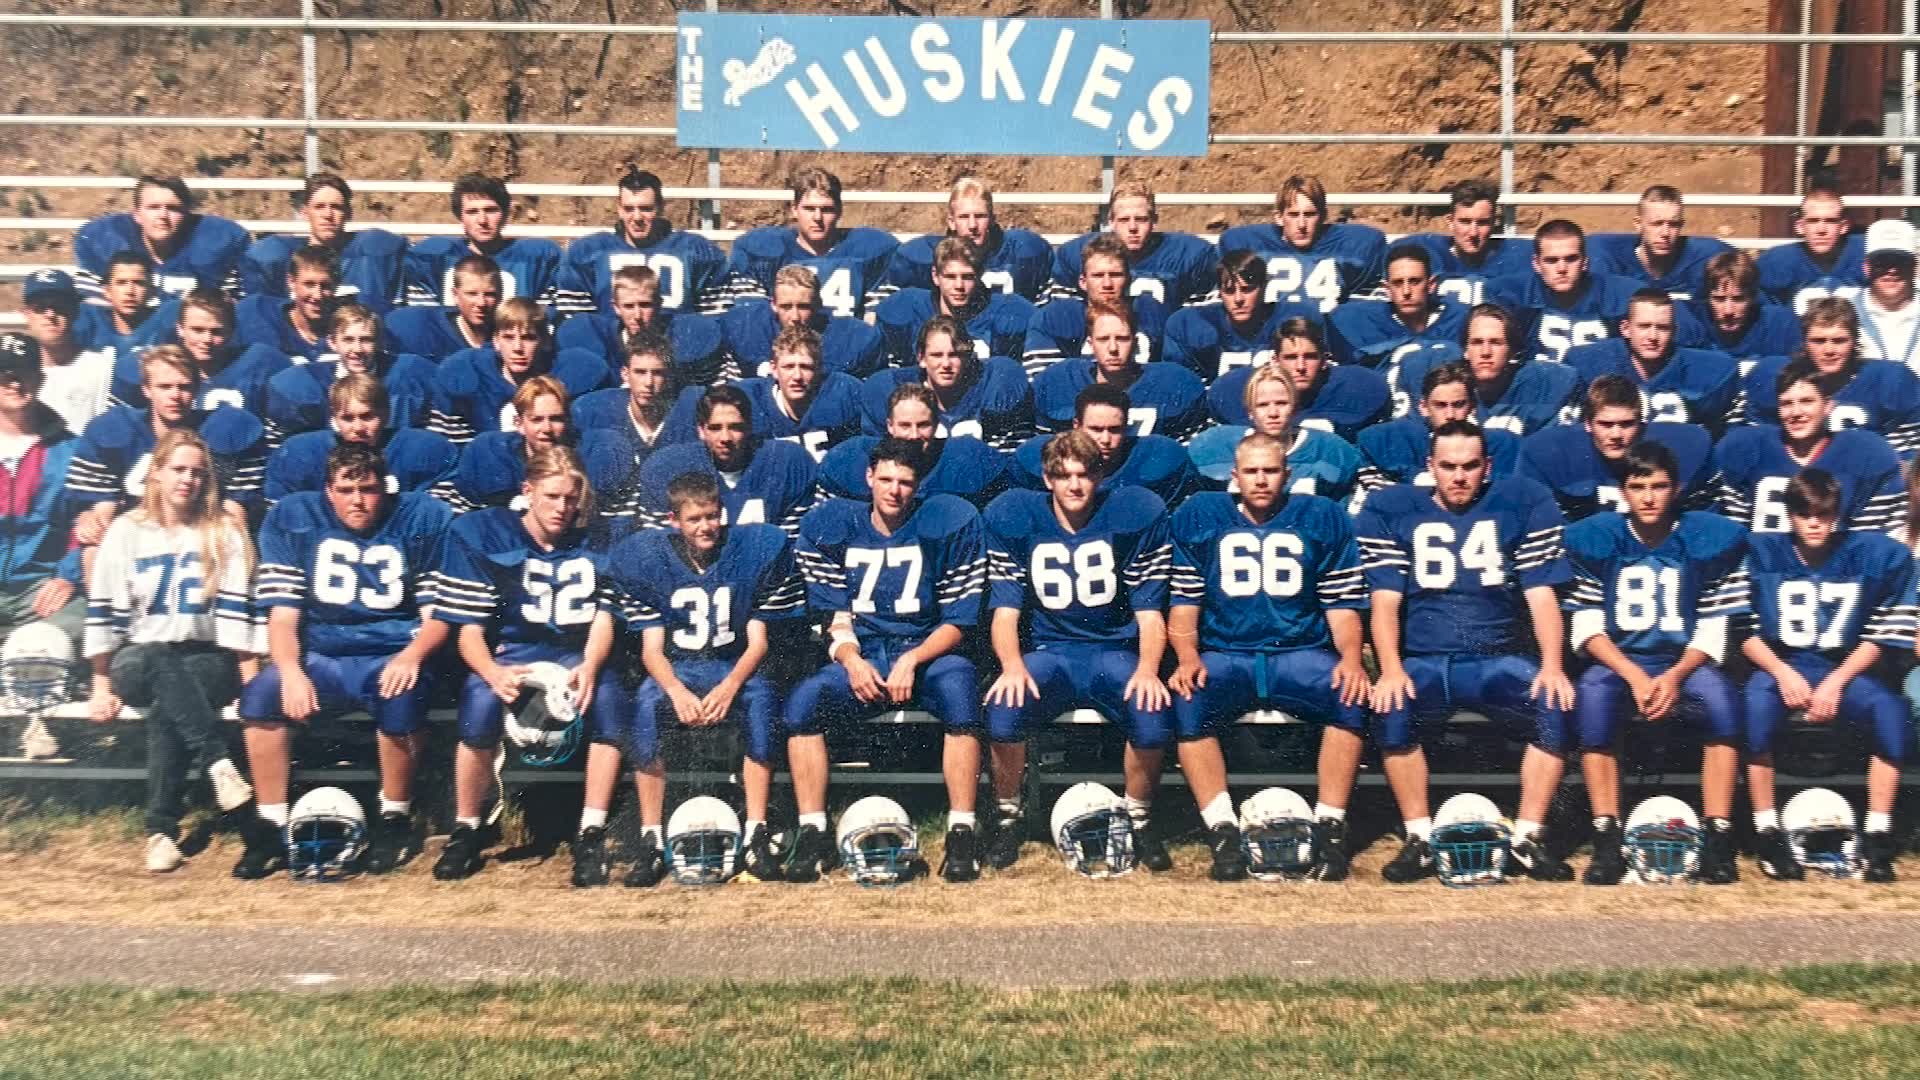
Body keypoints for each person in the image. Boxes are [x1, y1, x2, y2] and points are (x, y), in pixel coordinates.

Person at [1357, 419, 1576, 883]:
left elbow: (1541, 595)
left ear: (1488, 466)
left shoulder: (1520, 502)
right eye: (1449, 466)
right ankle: (1418, 836)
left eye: (1470, 466)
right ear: (1429, 467)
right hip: (1424, 660)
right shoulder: (1393, 510)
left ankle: (1529, 836)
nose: (1459, 477)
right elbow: (1384, 602)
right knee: (1392, 710)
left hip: (1495, 659)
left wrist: (1553, 665)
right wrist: (1391, 669)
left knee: (1553, 707)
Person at [232, 444, 454, 879]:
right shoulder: (296, 518)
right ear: (328, 491)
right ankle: (271, 823)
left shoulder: (419, 518)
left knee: (403, 695)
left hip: (389, 654)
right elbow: (282, 616)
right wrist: (292, 672)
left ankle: (394, 817)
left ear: (384, 489)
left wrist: (411, 655)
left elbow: (438, 616)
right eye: (346, 488)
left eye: (368, 489)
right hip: (323, 654)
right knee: (261, 695)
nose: (358, 499)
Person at [1167, 432, 1373, 880]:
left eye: (1271, 471)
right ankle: (1221, 828)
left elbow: (1341, 605)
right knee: (1188, 699)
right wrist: (1186, 656)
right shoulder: (1203, 517)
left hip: (1299, 652)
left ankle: (1330, 826)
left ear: (1288, 474)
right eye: (1252, 472)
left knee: (1350, 695)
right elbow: (1184, 603)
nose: (1261, 480)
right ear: (1235, 477)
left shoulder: (1321, 517)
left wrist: (1352, 659)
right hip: (1228, 653)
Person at [784, 438, 987, 881]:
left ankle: (961, 831)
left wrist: (913, 658)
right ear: (869, 478)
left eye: (906, 482)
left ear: (918, 486)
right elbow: (830, 616)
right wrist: (852, 660)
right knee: (804, 703)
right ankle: (813, 830)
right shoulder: (834, 526)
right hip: (866, 650)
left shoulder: (946, 524)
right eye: (887, 479)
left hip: (927, 648)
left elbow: (959, 622)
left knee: (961, 691)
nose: (895, 490)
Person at [982, 432, 1185, 875]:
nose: (1075, 485)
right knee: (1002, 710)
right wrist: (1012, 666)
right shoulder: (1016, 517)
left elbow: (1150, 615)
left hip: (1112, 651)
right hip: (1050, 651)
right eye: (1064, 475)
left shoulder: (1131, 514)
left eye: (1084, 474)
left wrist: (1149, 669)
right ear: (1047, 478)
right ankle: (1006, 816)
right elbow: (1005, 611)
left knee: (1151, 716)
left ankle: (1138, 816)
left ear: (1100, 475)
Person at [430, 447, 624, 882]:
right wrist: (492, 672)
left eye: (570, 499)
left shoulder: (598, 538)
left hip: (575, 656)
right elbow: (470, 632)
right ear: (528, 491)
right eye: (552, 496)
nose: (562, 507)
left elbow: (604, 617)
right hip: (513, 657)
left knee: (609, 700)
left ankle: (590, 830)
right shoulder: (489, 534)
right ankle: (467, 828)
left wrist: (591, 665)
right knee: (478, 704)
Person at [604, 472, 804, 886]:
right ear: (673, 520)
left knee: (762, 704)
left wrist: (730, 686)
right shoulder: (650, 560)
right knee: (645, 709)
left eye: (712, 516)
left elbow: (758, 643)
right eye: (694, 518)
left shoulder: (749, 550)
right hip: (677, 668)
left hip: (734, 665)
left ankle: (756, 832)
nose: (706, 526)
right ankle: (650, 837)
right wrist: (675, 691)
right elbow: (651, 652)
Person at [1563, 442, 1748, 885]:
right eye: (1638, 486)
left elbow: (1714, 627)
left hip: (1682, 659)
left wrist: (1673, 676)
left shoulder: (1703, 540)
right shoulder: (1600, 540)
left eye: (1659, 486)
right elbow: (1588, 629)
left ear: (1677, 489)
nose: (1648, 496)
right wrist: (1635, 675)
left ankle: (1718, 835)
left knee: (1722, 702)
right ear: (1622, 491)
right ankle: (1606, 834)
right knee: (1592, 699)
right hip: (1620, 660)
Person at [82, 429, 257, 872]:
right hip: (138, 657)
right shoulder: (126, 531)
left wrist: (249, 678)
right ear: (156, 473)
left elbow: (236, 616)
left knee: (169, 705)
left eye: (198, 472)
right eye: (178, 469)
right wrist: (101, 684)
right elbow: (104, 611)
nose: (188, 479)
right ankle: (218, 762)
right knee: (158, 660)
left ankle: (160, 832)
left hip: (207, 658)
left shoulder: (222, 532)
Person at [1744, 468, 1911, 883]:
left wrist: (1837, 681)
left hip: (1843, 666)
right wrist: (1782, 671)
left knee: (1890, 711)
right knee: (1754, 707)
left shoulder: (1870, 553)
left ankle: (1877, 834)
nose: (1814, 522)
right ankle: (1767, 829)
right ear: (1789, 515)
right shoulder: (1763, 553)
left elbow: (1883, 633)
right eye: (1804, 513)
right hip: (1782, 663)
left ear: (1838, 514)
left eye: (1823, 513)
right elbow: (1740, 632)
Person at [67, 347, 269, 538]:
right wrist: (92, 522)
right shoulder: (115, 428)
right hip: (132, 536)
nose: (175, 396)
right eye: (164, 386)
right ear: (146, 389)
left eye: (184, 387)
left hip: (201, 535)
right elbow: (103, 508)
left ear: (197, 389)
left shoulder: (222, 430)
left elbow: (234, 513)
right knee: (92, 546)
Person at [1711, 357, 1904, 534]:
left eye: (1807, 401)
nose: (1796, 412)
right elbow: (1735, 533)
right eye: (1786, 404)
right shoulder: (1748, 447)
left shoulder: (1865, 452)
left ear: (1828, 406)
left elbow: (1868, 543)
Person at [631, 384, 820, 539]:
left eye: (735, 427)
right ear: (701, 431)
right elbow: (660, 545)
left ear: (749, 428)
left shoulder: (786, 462)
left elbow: (793, 543)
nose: (725, 437)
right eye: (715, 428)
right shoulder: (668, 466)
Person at [1516, 373, 1713, 521]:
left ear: (1642, 425)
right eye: (1606, 424)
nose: (1616, 435)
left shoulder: (1683, 445)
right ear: (1587, 423)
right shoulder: (1550, 450)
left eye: (1627, 424)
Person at [1742, 298, 1920, 452]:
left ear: (1855, 340)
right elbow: (1760, 446)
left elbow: (1906, 457)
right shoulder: (1775, 375)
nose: (1829, 350)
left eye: (1839, 340)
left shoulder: (1890, 379)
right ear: (1804, 342)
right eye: (1818, 341)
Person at [1488, 219, 1675, 365]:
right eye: (1551, 260)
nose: (1562, 268)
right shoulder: (1512, 294)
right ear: (1536, 264)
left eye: (1571, 259)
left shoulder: (1622, 293)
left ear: (1585, 261)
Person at [0, 335, 87, 644]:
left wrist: (68, 576)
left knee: (85, 624)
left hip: (40, 587)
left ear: (39, 379)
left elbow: (86, 524)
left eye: (23, 374)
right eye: (5, 375)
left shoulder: (71, 449)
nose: (14, 384)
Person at [723, 167, 898, 319]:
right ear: (794, 210)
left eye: (826, 209)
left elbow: (874, 320)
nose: (817, 218)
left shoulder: (869, 249)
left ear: (839, 210)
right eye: (809, 208)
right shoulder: (765, 250)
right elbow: (754, 320)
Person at [554, 168, 732, 318]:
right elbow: (579, 325)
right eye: (629, 208)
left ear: (661, 207)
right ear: (619, 209)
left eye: (646, 209)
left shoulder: (694, 251)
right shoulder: (590, 252)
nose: (637, 217)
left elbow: (714, 319)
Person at [427, 298, 606, 446]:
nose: (518, 348)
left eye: (528, 338)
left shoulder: (565, 375)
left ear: (545, 341)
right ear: (496, 341)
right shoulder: (473, 373)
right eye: (509, 337)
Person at [573, 332, 701, 537]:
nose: (648, 382)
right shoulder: (598, 413)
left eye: (657, 373)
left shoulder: (685, 415)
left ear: (669, 377)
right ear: (625, 374)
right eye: (640, 372)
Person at [264, 373, 459, 507]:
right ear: (334, 419)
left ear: (385, 415)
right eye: (347, 418)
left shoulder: (422, 448)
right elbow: (281, 508)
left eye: (367, 417)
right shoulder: (303, 451)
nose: (358, 428)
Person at [1563, 289, 1740, 433]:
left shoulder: (1707, 369)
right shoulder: (1591, 361)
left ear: (1673, 331)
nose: (1653, 337)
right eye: (1644, 326)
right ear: (1625, 329)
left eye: (1662, 328)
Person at [1034, 302, 1210, 444]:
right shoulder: (1061, 381)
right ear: (1090, 343)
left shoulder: (1173, 382)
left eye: (1122, 339)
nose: (1113, 348)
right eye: (1103, 339)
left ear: (1135, 342)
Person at [1186, 365, 1362, 505]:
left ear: (1295, 408)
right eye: (1263, 405)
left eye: (1282, 403)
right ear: (1250, 412)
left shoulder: (1331, 451)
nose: (1273, 413)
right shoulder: (1214, 448)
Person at [1396, 303, 1578, 437]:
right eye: (1477, 342)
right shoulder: (1432, 372)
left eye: (1496, 343)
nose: (1485, 352)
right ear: (1465, 350)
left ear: (1512, 350)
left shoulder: (1545, 383)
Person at [264, 302, 438, 442]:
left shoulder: (407, 373)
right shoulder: (308, 382)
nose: (357, 349)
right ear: (332, 342)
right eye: (348, 340)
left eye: (366, 340)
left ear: (378, 342)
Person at [1218, 174, 1387, 314]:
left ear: (1323, 216)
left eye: (1309, 214)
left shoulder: (1357, 244)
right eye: (1293, 214)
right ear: (1278, 217)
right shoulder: (1247, 244)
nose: (1301, 224)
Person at [240, 173, 407, 314]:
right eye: (319, 207)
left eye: (336, 207)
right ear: (305, 213)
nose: (328, 214)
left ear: (348, 213)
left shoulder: (371, 252)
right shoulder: (278, 255)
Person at [819, 382, 1008, 507]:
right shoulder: (855, 458)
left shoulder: (965, 455)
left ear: (935, 425)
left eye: (923, 425)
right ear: (890, 426)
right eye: (905, 425)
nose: (914, 435)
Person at [110, 289, 291, 419]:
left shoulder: (261, 361)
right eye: (197, 330)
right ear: (180, 329)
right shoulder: (150, 363)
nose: (207, 339)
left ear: (232, 331)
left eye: (217, 332)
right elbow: (120, 424)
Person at [861, 317, 1034, 450]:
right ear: (921, 358)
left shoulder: (991, 387)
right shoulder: (897, 393)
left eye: (954, 355)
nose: (946, 364)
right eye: (936, 355)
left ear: (967, 357)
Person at [1045, 181, 1217, 315]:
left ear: (1154, 221)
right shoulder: (1079, 253)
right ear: (1111, 222)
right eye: (1124, 220)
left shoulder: (1189, 254)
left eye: (1141, 219)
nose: (1133, 227)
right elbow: (1065, 316)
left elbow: (1197, 321)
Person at [1009, 383, 1196, 506]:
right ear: (1077, 426)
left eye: (1114, 429)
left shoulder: (1158, 457)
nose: (1105, 440)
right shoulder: (1039, 458)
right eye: (1096, 429)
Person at [71, 175, 249, 303]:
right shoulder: (105, 240)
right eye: (153, 207)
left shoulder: (216, 242)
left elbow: (231, 310)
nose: (163, 216)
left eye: (172, 208)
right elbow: (95, 313)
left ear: (187, 214)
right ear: (137, 215)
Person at [1207, 317, 1388, 441]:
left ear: (1324, 361)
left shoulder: (1357, 387)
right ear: (1275, 361)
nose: (1300, 367)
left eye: (1309, 357)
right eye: (1291, 357)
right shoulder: (1236, 388)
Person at [555, 263, 735, 387]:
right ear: (615, 307)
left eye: (645, 305)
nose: (638, 315)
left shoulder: (679, 338)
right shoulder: (605, 341)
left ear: (659, 303)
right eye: (629, 306)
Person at [877, 176, 1053, 302]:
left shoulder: (1022, 249)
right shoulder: (923, 255)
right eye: (963, 217)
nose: (972, 225)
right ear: (951, 222)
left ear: (992, 219)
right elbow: (884, 305)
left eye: (980, 216)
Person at [1357, 362, 1521, 496]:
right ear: (1424, 407)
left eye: (1458, 404)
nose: (1450, 414)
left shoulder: (1501, 443)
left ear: (1472, 406)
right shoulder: (1388, 439)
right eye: (1440, 405)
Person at [404, 174, 562, 311]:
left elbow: (544, 319)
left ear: (506, 213)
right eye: (472, 212)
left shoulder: (535, 259)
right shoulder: (436, 258)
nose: (482, 220)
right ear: (460, 217)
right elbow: (425, 318)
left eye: (491, 210)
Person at [1021, 233, 1170, 375]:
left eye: (1115, 275)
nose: (1107, 284)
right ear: (1083, 282)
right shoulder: (1058, 318)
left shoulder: (1150, 312)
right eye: (1098, 275)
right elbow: (1042, 380)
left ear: (1129, 279)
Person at [1160, 251, 1317, 384]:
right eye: (1229, 291)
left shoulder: (1292, 318)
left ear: (1264, 287)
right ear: (1219, 292)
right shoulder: (1193, 323)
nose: (1238, 299)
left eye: (1247, 289)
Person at [875, 237, 1035, 367]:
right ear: (935, 276)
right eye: (950, 276)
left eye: (967, 277)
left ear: (979, 275)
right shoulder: (909, 308)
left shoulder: (1008, 312)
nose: (959, 286)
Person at [1326, 243, 1470, 379]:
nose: (1406, 291)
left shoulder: (1460, 320)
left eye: (1414, 281)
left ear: (1431, 285)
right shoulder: (1357, 319)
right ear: (1387, 289)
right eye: (1398, 283)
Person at [719, 264, 885, 380]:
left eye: (803, 307)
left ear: (819, 304)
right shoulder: (746, 327)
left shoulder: (851, 336)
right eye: (786, 307)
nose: (795, 317)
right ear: (773, 304)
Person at [736, 325, 864, 463]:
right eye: (788, 367)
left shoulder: (842, 392)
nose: (797, 376)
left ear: (819, 368)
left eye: (806, 367)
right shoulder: (752, 399)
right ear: (773, 369)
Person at [1586, 185, 1734, 302]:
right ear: (1638, 224)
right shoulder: (1607, 253)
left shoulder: (1708, 255)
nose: (1665, 233)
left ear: (1682, 225)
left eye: (1673, 224)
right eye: (1657, 223)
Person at [446, 376, 573, 512]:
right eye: (537, 419)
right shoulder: (496, 451)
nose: (547, 428)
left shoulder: (580, 455)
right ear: (519, 424)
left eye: (556, 419)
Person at [1401, 179, 1535, 307]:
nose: (1473, 233)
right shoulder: (1424, 249)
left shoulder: (1521, 254)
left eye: (1482, 223)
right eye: (1465, 221)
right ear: (1450, 221)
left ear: (1494, 222)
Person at [17, 269, 114, 435]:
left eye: (59, 306)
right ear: (27, 315)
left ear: (75, 312)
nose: (50, 314)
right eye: (40, 308)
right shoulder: (13, 375)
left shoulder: (102, 366)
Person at [1756, 187, 1866, 313]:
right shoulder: (1777, 260)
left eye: (1831, 221)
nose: (1821, 230)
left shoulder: (1865, 252)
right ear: (1800, 227)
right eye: (1813, 221)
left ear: (1844, 226)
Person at [233, 244, 339, 363]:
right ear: (291, 281)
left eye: (326, 286)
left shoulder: (345, 330)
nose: (317, 295)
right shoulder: (258, 312)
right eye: (309, 284)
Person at [384, 254, 500, 362]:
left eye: (490, 294)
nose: (481, 303)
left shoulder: (510, 336)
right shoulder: (423, 326)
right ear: (455, 295)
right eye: (472, 294)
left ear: (500, 296)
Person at [1698, 250, 1803, 363]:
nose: (1728, 310)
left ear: (1753, 297)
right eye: (1719, 299)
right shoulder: (1692, 322)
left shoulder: (1782, 324)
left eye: (1738, 299)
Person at [1852, 218, 1920, 372]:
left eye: (1900, 262)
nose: (1891, 271)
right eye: (1882, 262)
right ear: (1867, 267)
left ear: (1914, 266)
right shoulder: (1845, 312)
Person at [71, 253, 165, 357]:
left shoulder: (164, 328)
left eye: (139, 283)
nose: (130, 291)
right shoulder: (90, 326)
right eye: (121, 283)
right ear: (107, 291)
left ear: (151, 291)